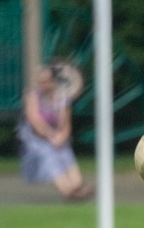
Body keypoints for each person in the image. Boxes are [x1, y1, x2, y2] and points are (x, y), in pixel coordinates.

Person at [17, 64, 93, 202]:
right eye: (41, 81)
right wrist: (51, 136)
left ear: (53, 81)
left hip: (55, 135)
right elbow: (35, 120)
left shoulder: (62, 98)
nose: (43, 84)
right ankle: (68, 190)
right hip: (35, 137)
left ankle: (78, 185)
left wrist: (61, 137)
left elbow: (65, 123)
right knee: (49, 156)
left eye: (46, 81)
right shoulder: (32, 95)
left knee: (65, 153)